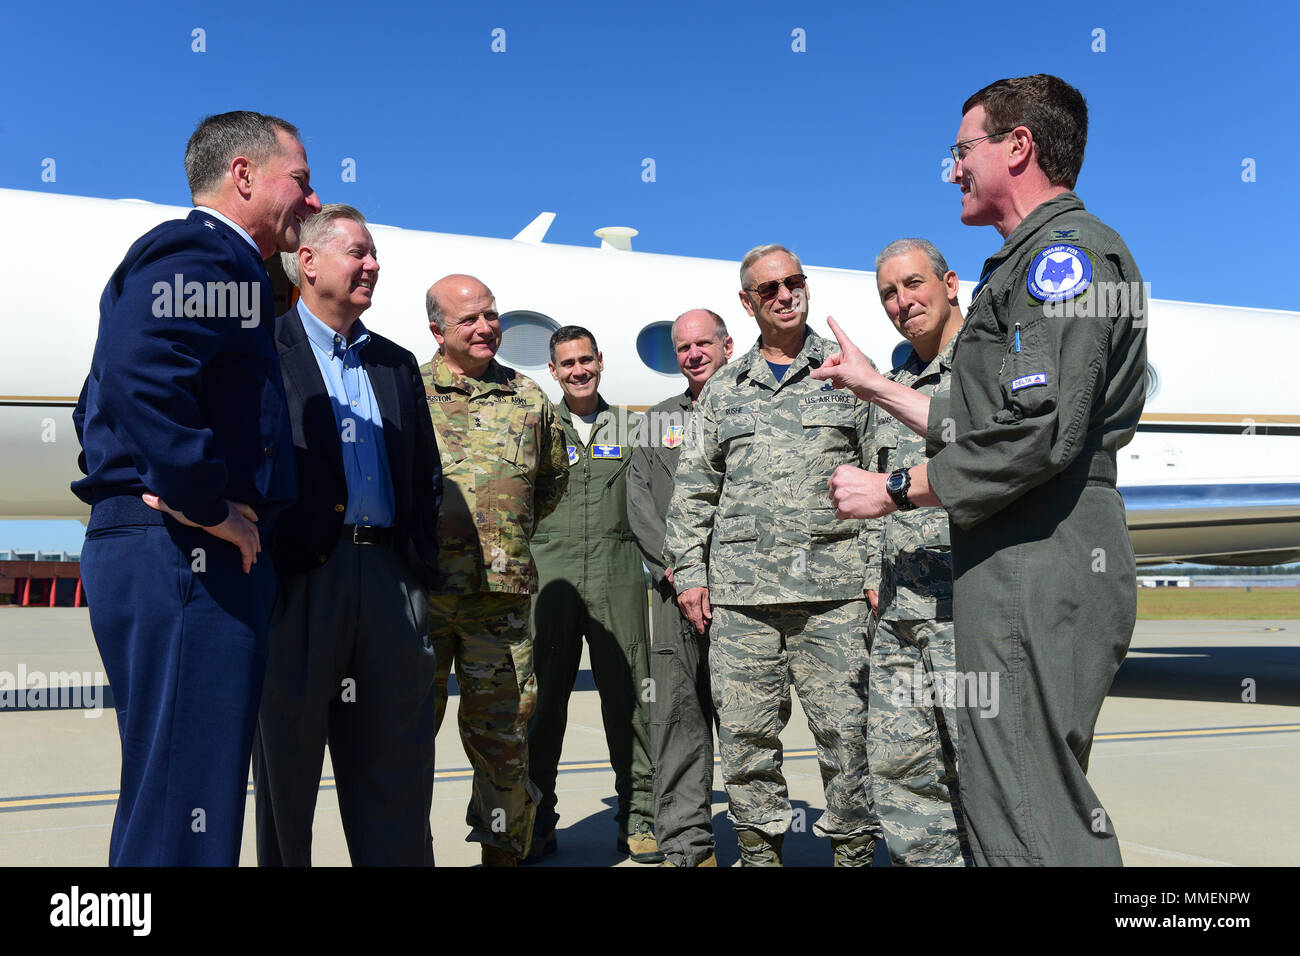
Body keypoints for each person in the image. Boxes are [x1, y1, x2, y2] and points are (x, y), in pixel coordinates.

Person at [815, 74, 1148, 866]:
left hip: (1043, 548)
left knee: (1036, 816)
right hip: (1015, 551)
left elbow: (1037, 435)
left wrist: (895, 490)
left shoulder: (1062, 261)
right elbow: (980, 425)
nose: (954, 169)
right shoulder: (1026, 265)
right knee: (1006, 805)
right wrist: (873, 384)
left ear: (1018, 147)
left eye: (962, 152)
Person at [71, 111, 320, 865]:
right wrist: (200, 496)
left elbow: (104, 391)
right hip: (185, 554)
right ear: (243, 175)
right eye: (301, 182)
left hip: (174, 549)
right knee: (187, 805)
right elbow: (137, 369)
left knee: (177, 795)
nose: (312, 202)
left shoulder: (227, 268)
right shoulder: (207, 253)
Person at [662, 245, 882, 867]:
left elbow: (880, 477)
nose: (785, 295)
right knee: (747, 742)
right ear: (747, 303)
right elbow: (695, 490)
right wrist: (690, 575)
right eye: (769, 289)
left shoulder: (847, 374)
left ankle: (855, 855)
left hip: (834, 594)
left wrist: (872, 573)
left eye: (794, 282)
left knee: (848, 736)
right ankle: (760, 857)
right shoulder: (725, 390)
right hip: (743, 601)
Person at [251, 204, 443, 866]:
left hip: (389, 583)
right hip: (301, 583)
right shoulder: (260, 352)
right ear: (307, 262)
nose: (373, 265)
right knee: (286, 773)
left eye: (374, 254)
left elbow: (424, 478)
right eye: (358, 253)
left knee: (398, 770)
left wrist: (420, 575)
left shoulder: (394, 364)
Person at [421, 274, 569, 867]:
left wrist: (505, 536)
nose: (485, 328)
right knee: (402, 741)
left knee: (504, 744)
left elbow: (552, 481)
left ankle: (503, 856)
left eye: (491, 315)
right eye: (468, 320)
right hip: (421, 599)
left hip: (501, 606)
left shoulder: (528, 396)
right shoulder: (407, 391)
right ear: (437, 331)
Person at [526, 326, 661, 864]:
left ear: (600, 362)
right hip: (550, 574)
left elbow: (664, 493)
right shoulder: (535, 425)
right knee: (542, 707)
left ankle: (641, 819)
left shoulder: (634, 426)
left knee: (631, 700)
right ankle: (535, 821)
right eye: (567, 363)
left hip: (618, 573)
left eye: (586, 359)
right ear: (553, 371)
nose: (578, 370)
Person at [862, 238, 968, 866]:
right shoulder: (892, 382)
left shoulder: (986, 364)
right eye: (888, 294)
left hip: (970, 609)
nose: (902, 302)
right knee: (901, 771)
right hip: (901, 612)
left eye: (913, 284)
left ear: (949, 283)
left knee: (983, 768)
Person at [626, 308, 733, 868]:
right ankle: (689, 847)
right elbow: (640, 504)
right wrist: (681, 572)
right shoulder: (656, 421)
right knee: (678, 719)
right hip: (675, 596)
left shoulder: (753, 407)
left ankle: (761, 839)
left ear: (728, 346)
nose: (693, 354)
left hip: (745, 593)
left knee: (745, 722)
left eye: (703, 344)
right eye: (683, 347)